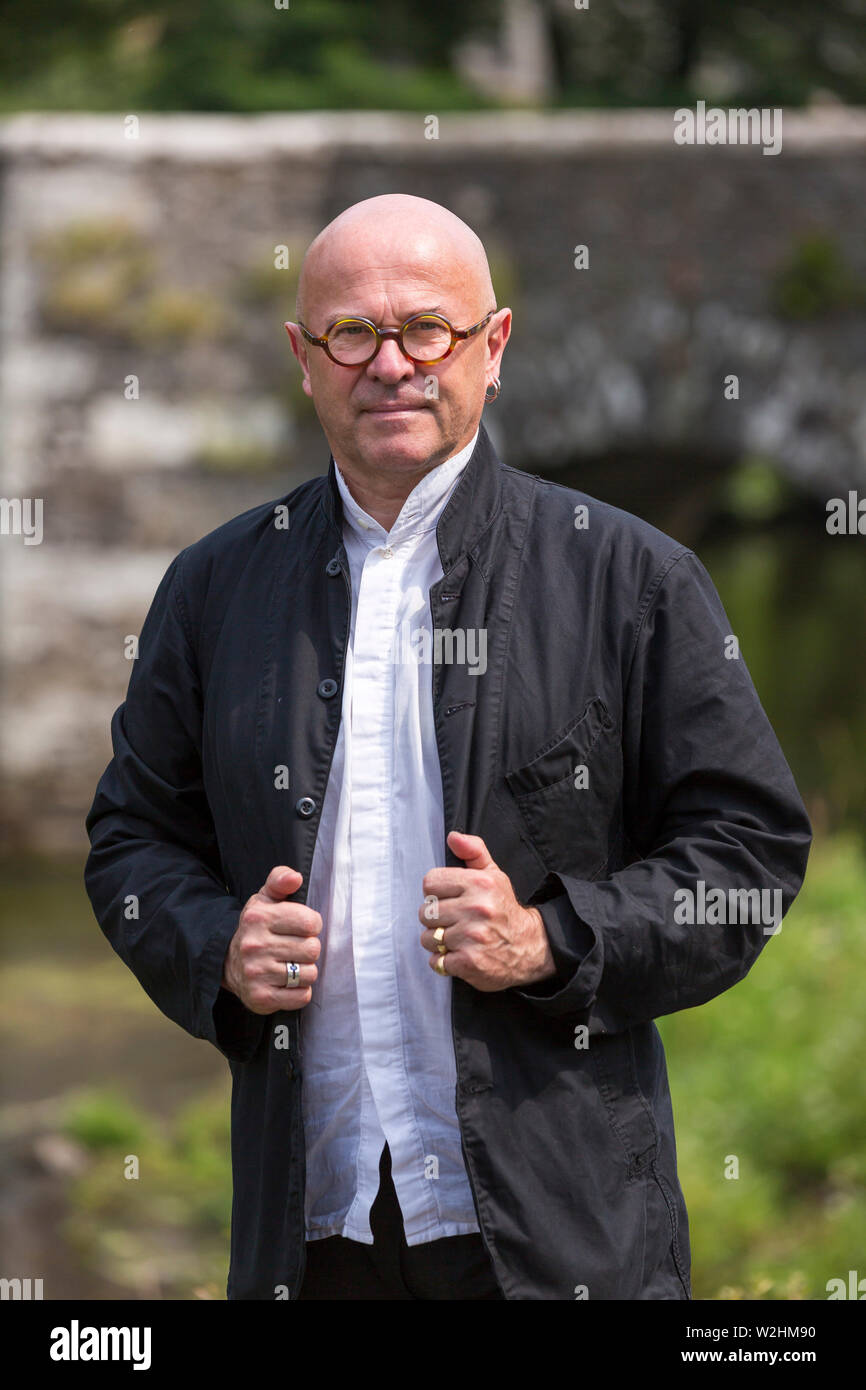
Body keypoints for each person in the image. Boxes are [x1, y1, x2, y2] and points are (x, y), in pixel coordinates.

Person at [84, 193, 812, 1301]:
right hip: (309, 1224)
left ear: (494, 345)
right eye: (352, 334)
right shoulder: (213, 586)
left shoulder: (630, 576)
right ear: (302, 356)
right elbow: (131, 838)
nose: (391, 365)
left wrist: (552, 937)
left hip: (558, 1230)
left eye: (427, 329)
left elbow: (748, 852)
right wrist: (213, 943)